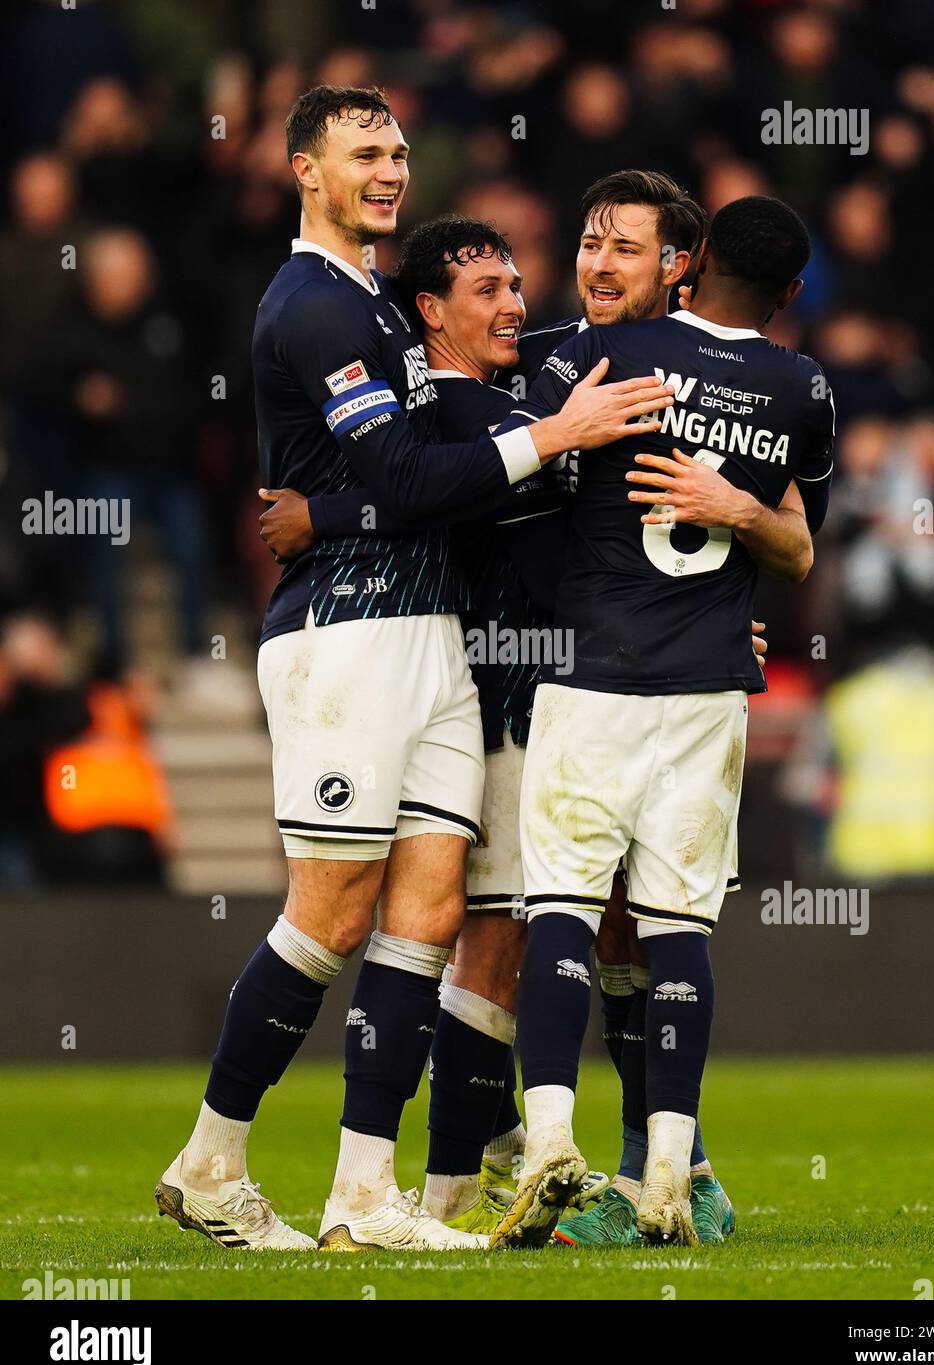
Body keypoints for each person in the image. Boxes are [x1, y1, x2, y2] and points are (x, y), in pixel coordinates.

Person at [155, 84, 673, 1253]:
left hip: (430, 633)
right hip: (347, 634)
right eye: (361, 154)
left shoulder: (380, 310)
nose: (388, 171)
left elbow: (433, 446)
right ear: (303, 170)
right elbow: (407, 476)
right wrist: (556, 435)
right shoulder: (314, 308)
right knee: (331, 909)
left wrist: (328, 504)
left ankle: (362, 1195)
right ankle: (211, 1160)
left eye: (394, 152)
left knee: (428, 911)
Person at [488, 194, 834, 1248]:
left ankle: (549, 1142)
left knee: (561, 913)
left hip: (591, 675)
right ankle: (670, 1175)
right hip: (709, 690)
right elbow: (800, 545)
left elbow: (507, 460)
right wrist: (741, 509)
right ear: (787, 295)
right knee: (677, 928)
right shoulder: (800, 388)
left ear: (689, 269)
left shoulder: (606, 351)